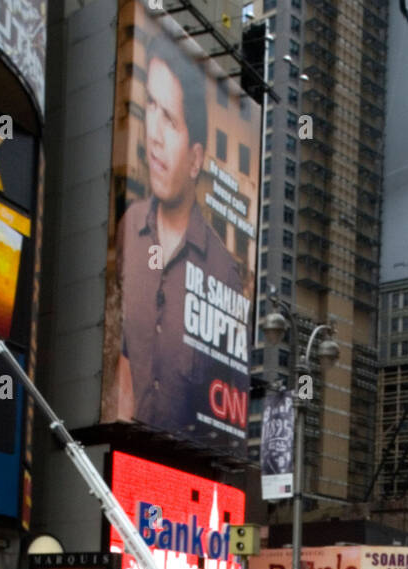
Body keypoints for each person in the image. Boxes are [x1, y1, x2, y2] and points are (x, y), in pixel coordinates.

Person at [111, 29, 244, 435]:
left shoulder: (224, 273)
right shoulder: (129, 225)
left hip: (193, 476)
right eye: (150, 106)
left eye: (169, 119)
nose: (153, 135)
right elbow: (122, 364)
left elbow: (226, 412)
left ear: (196, 159)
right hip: (123, 457)